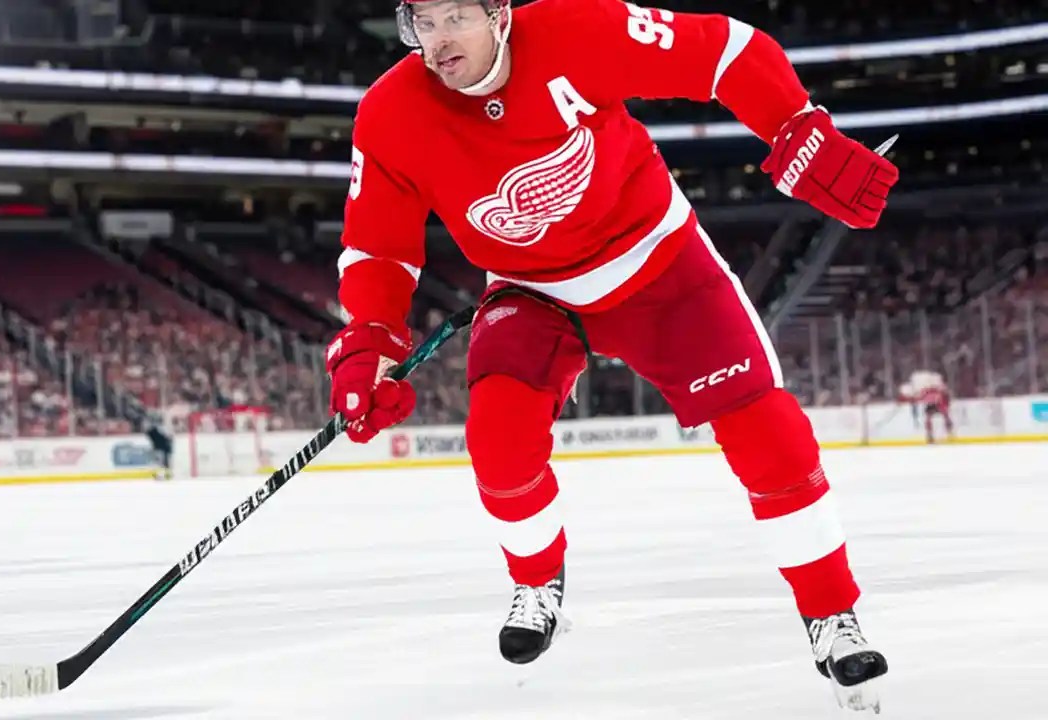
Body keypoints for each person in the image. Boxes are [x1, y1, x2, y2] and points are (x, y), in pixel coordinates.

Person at [323, 0, 898, 712]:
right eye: (423, 24)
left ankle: (830, 613)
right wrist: (371, 344)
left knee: (769, 435)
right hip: (532, 291)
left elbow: (725, 50)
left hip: (657, 262)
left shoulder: (575, 33)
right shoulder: (390, 114)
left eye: (455, 18)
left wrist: (797, 125)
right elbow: (377, 246)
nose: (438, 42)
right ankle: (537, 581)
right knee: (498, 441)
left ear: (500, 14)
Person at [898, 370, 954, 444]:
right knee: (930, 416)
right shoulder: (927, 391)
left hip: (939, 404)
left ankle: (948, 431)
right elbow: (917, 398)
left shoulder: (936, 390)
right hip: (934, 404)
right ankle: (931, 435)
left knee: (943, 414)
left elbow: (944, 397)